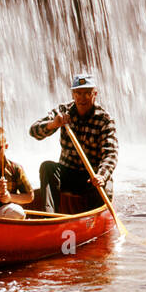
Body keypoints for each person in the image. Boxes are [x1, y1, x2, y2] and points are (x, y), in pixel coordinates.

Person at [29, 72, 117, 214]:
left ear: (95, 93)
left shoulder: (105, 119)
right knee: (47, 167)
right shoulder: (63, 111)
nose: (82, 98)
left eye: (87, 93)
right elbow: (33, 131)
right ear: (72, 94)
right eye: (78, 93)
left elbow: (111, 154)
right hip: (69, 173)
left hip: (92, 177)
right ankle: (50, 216)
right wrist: (53, 124)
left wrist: (101, 175)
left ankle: (93, 218)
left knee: (104, 187)